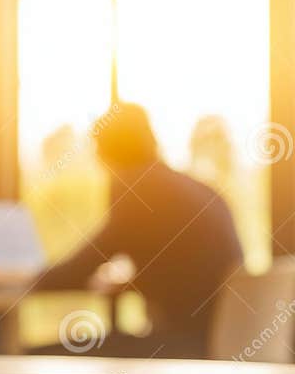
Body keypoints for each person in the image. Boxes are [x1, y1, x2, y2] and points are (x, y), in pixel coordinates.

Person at [33, 103, 243, 358]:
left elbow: (84, 265)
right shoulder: (199, 189)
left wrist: (28, 280)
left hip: (183, 345)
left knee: (35, 356)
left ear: (104, 151)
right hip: (219, 339)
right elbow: (188, 267)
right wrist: (136, 282)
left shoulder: (138, 188)